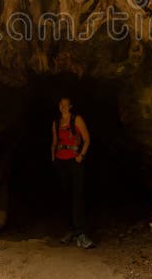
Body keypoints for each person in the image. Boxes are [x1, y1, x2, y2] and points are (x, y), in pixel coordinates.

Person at [51, 96, 95, 249]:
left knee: (77, 195)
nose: (63, 107)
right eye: (61, 105)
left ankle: (81, 233)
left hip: (74, 161)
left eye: (66, 105)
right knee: (65, 195)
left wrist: (81, 156)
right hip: (61, 161)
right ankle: (70, 230)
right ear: (59, 106)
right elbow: (55, 141)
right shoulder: (56, 123)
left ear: (70, 106)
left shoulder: (77, 119)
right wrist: (53, 156)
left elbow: (87, 139)